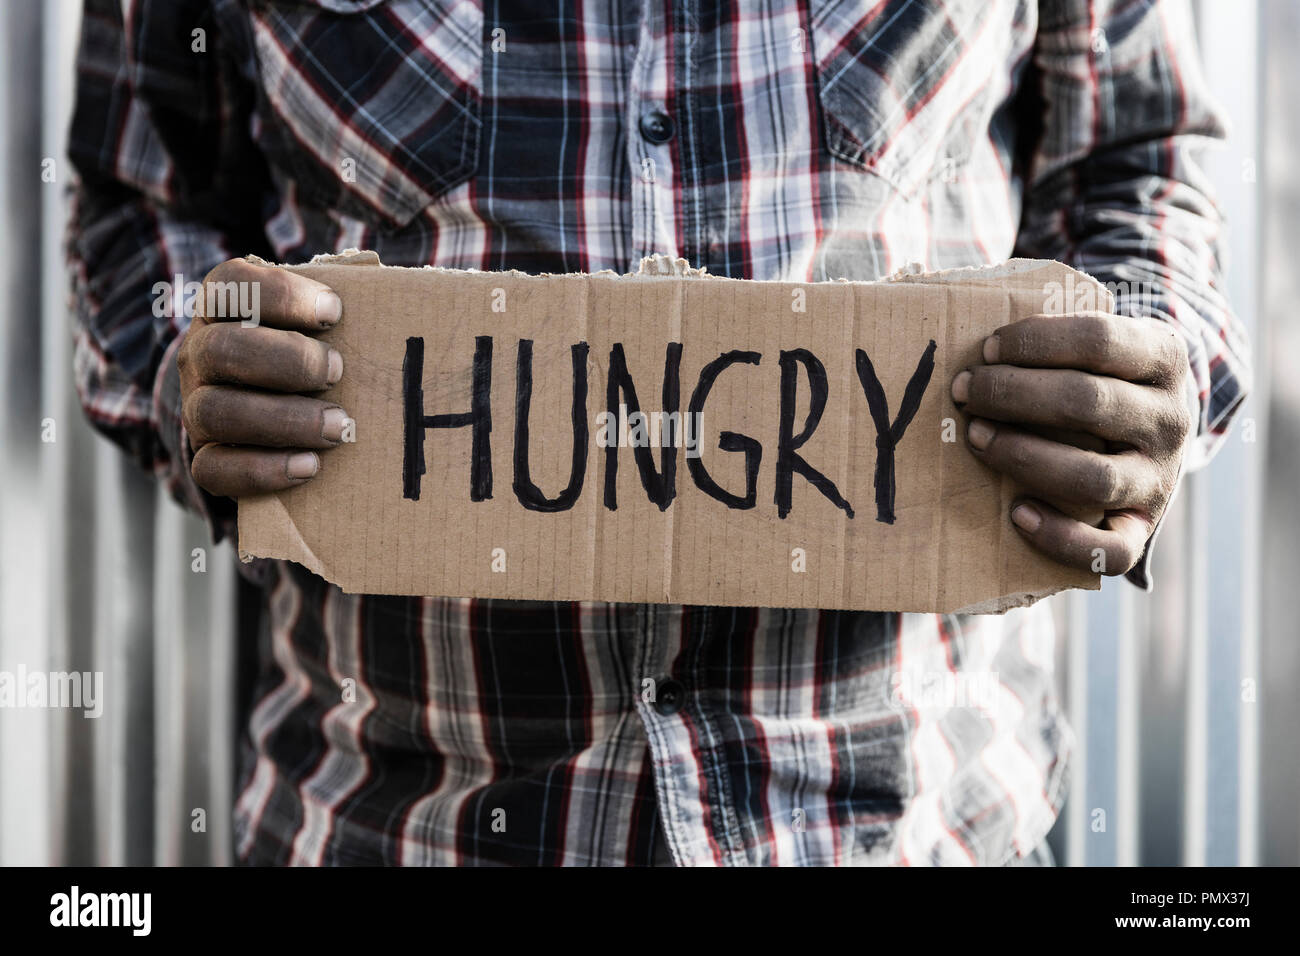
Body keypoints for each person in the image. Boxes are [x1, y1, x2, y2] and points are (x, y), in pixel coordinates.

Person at [67, 0, 1248, 866]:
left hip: (909, 819)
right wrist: (191, 362)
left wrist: (1147, 352)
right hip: (400, 823)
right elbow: (139, 192)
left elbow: (1134, 157)